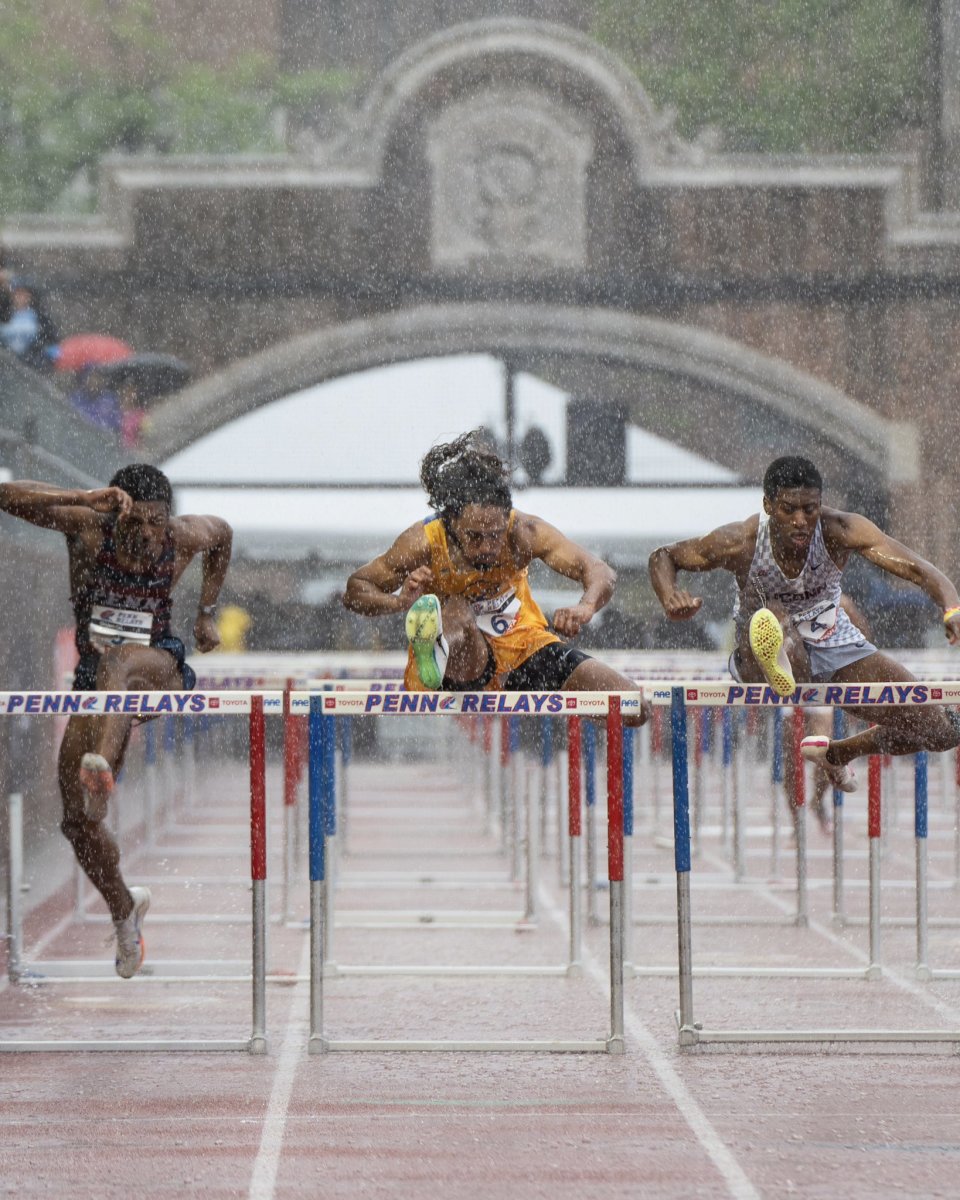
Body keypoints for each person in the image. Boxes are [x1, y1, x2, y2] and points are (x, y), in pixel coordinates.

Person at [0, 465, 232, 978]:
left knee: (121, 662)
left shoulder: (182, 537)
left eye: (156, 523)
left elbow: (224, 535)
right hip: (97, 687)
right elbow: (6, 496)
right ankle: (124, 908)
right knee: (76, 824)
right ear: (119, 513)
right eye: (138, 524)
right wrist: (83, 495)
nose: (148, 534)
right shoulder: (88, 527)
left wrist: (206, 611)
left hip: (158, 671)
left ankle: (100, 767)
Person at [648, 455, 960, 793]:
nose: (800, 521)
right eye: (789, 509)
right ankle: (779, 653)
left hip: (832, 640)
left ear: (821, 504)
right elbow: (663, 556)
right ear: (768, 505)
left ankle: (840, 752)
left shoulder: (840, 530)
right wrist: (669, 596)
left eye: (809, 509)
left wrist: (951, 607)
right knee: (775, 620)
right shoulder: (742, 541)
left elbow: (915, 567)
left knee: (943, 731)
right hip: (760, 647)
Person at [342, 430, 648, 725]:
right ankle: (435, 647)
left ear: (507, 520)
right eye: (475, 537)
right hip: (462, 660)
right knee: (457, 609)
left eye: (495, 535)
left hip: (525, 646)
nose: (487, 547)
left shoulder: (525, 532)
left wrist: (586, 606)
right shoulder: (422, 542)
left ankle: (548, 689)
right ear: (450, 522)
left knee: (633, 707)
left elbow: (600, 571)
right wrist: (398, 602)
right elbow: (356, 589)